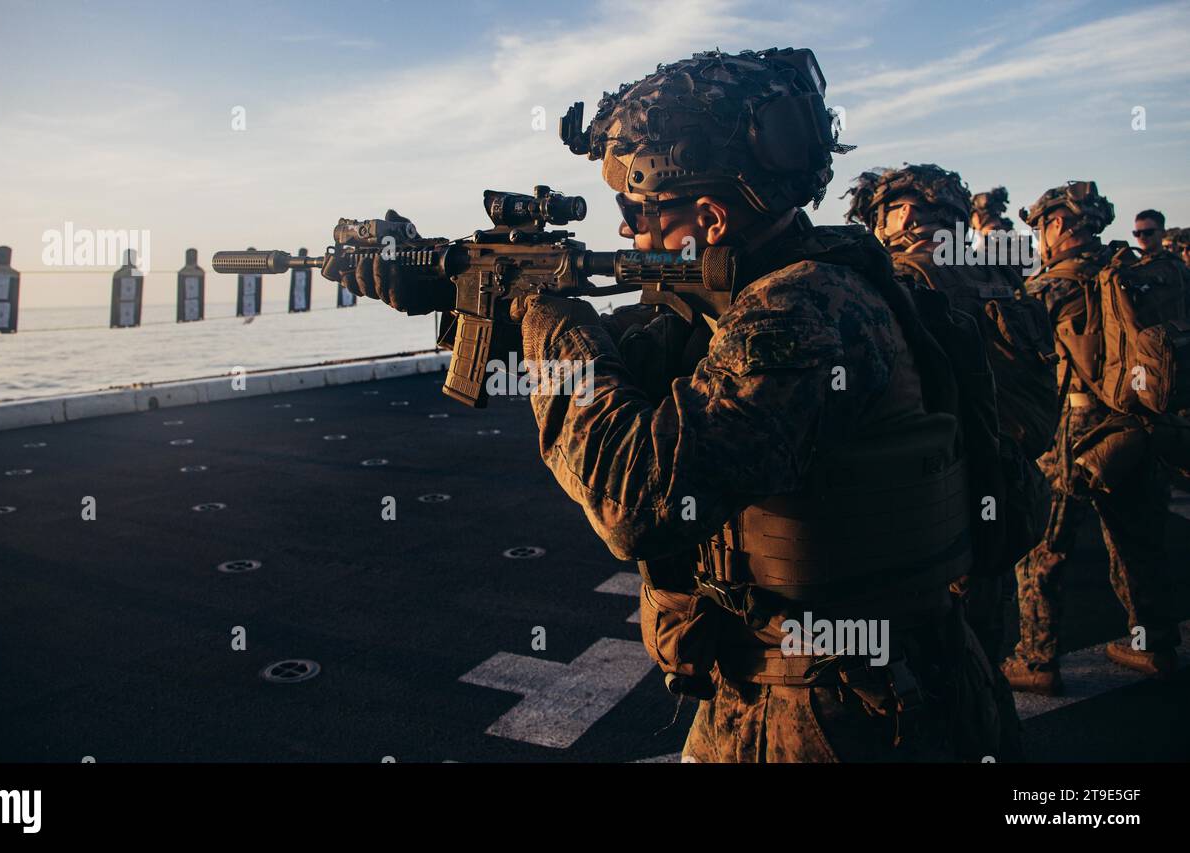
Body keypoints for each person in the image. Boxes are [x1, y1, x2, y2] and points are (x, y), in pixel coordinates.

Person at [334, 48, 1007, 762]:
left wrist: (546, 315)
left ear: (711, 218)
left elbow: (637, 496)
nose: (625, 231)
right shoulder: (780, 284)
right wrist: (448, 288)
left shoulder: (800, 311)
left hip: (840, 713)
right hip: (791, 687)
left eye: (637, 209)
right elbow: (621, 360)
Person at [842, 165, 1055, 681]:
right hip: (1005, 478)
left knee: (924, 669)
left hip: (931, 502)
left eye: (881, 215)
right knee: (981, 654)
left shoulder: (902, 281)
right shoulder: (996, 275)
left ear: (903, 214)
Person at [1002, 182, 1181, 695]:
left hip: (1076, 431)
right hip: (1141, 426)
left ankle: (1036, 659)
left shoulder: (1050, 288)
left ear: (1057, 225)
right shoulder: (1138, 274)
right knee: (1138, 541)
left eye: (1040, 227)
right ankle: (1153, 645)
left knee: (1043, 548)